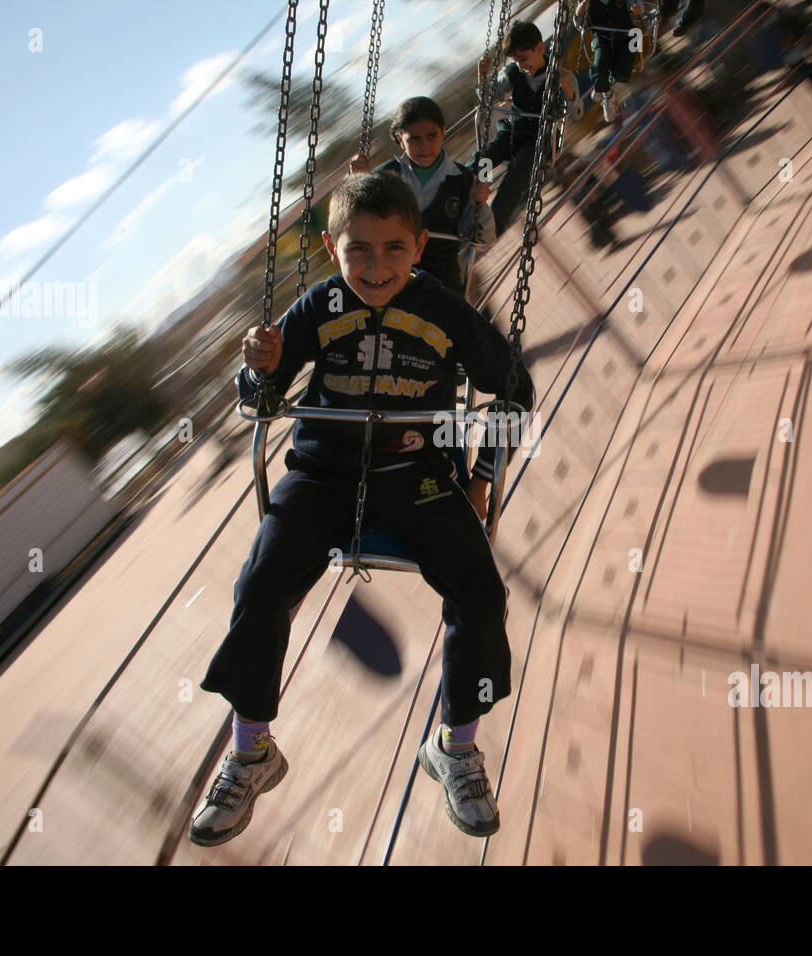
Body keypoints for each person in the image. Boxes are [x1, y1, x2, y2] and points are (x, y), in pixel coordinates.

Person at [189, 172, 535, 846]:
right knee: (259, 587)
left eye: (394, 249)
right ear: (330, 247)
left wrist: (483, 480)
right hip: (323, 474)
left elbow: (514, 391)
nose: (377, 268)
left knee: (481, 593)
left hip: (420, 474)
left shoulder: (442, 307)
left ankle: (454, 746)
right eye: (359, 251)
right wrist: (259, 370)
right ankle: (252, 749)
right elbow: (262, 402)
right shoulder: (318, 307)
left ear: (417, 245)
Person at [349, 96, 496, 296]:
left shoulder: (462, 180)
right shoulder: (383, 178)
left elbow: (483, 240)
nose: (424, 146)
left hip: (442, 276)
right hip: (395, 274)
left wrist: (480, 205)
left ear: (443, 132)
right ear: (400, 140)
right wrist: (356, 183)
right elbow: (360, 225)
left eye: (432, 136)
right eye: (414, 139)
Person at [474, 20, 585, 234]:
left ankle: (492, 226)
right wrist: (482, 76)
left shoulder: (562, 75)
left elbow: (576, 113)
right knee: (484, 159)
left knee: (518, 171)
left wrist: (568, 90)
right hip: (514, 131)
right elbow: (490, 96)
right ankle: (462, 204)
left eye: (523, 59)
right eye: (516, 61)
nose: (521, 66)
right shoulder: (512, 73)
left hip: (539, 140)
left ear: (540, 48)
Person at [576, 0, 643, 123]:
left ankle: (606, 84)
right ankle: (607, 94)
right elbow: (581, 22)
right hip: (602, 38)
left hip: (625, 35)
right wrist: (580, 12)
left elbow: (637, 5)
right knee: (599, 66)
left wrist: (638, 8)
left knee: (623, 72)